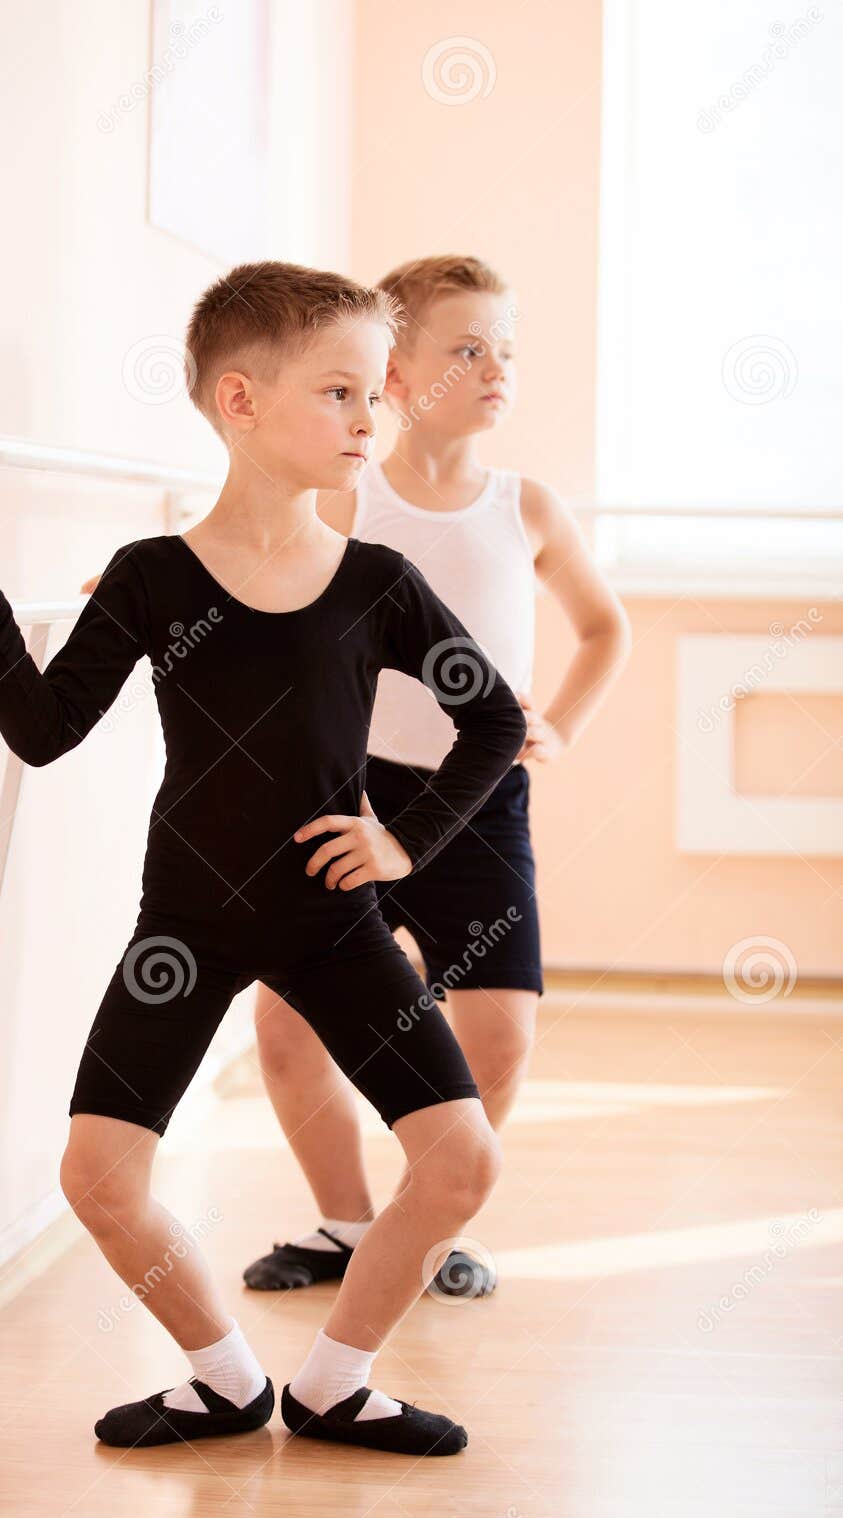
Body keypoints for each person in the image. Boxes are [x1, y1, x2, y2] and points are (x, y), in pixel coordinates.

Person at [0, 260, 527, 1458]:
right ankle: (223, 1377)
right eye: (339, 393)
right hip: (184, 925)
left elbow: (491, 718)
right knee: (97, 1177)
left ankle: (336, 1380)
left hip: (334, 921)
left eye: (371, 395)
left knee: (457, 1162)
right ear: (239, 402)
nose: (366, 419)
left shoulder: (378, 586)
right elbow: (44, 728)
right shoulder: (151, 578)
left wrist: (402, 837)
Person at [234, 256, 632, 1298]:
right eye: (465, 348)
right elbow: (249, 564)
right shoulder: (349, 496)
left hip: (479, 802)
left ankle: (427, 1217)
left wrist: (559, 724)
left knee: (499, 1030)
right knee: (284, 1022)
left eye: (504, 348)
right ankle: (340, 1223)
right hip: (350, 790)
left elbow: (601, 628)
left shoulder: (525, 506)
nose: (494, 367)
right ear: (396, 377)